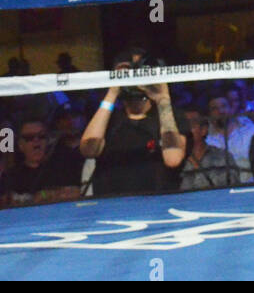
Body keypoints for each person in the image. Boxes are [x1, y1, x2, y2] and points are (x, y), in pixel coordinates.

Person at [80, 49, 187, 197]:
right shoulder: (107, 118)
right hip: (111, 205)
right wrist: (112, 93)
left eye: (138, 70)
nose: (133, 77)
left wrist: (163, 100)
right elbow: (89, 150)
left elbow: (173, 159)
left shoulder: (170, 117)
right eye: (128, 71)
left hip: (158, 204)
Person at [0, 115, 83, 206]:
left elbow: (78, 192)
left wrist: (46, 194)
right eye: (29, 138)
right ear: (20, 145)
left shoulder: (64, 168)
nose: (36, 142)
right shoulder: (10, 176)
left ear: (48, 140)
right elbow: (6, 204)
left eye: (41, 136)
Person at [180, 110, 243, 191]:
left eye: (190, 125)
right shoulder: (174, 162)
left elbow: (233, 190)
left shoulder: (222, 157)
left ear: (204, 130)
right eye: (182, 125)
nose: (184, 130)